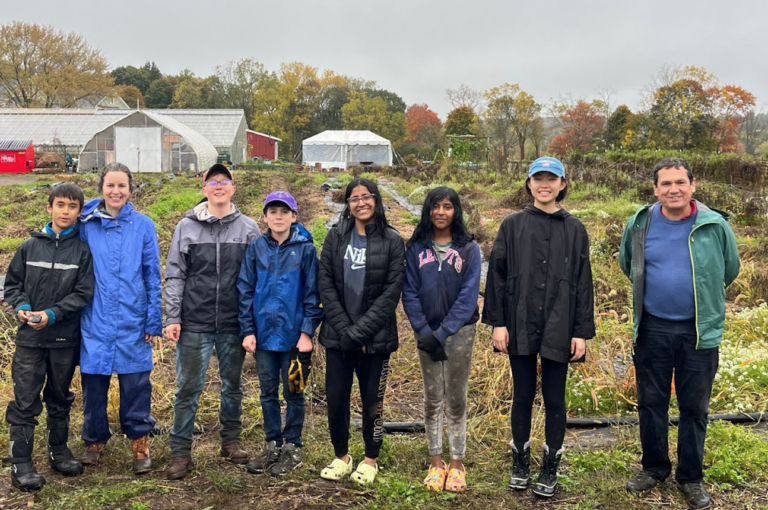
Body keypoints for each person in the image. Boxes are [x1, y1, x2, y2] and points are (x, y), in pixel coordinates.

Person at [619, 157, 740, 509]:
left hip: (698, 331)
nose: (673, 189)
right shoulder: (639, 223)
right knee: (651, 403)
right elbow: (629, 264)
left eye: (680, 183)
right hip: (652, 327)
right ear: (655, 189)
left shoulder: (714, 225)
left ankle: (691, 477)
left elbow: (728, 269)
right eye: (666, 184)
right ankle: (654, 467)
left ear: (693, 185)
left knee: (694, 408)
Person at [483, 156, 595, 498]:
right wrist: (498, 323)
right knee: (522, 394)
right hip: (520, 321)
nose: (544, 184)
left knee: (555, 398)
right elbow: (497, 278)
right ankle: (520, 459)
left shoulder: (574, 228)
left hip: (560, 324)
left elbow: (583, 281)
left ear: (562, 185)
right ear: (529, 183)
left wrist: (580, 331)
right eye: (538, 178)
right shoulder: (513, 225)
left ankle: (551, 465)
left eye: (552, 179)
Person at [164, 163, 260, 480]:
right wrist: (173, 316)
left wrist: (253, 322)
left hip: (234, 323)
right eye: (212, 181)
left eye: (225, 181)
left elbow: (258, 279)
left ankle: (230, 441)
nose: (219, 185)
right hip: (195, 321)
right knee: (187, 388)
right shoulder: (186, 227)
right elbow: (176, 275)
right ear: (204, 188)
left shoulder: (248, 228)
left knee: (232, 387)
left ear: (233, 188)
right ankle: (180, 452)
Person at [3, 183, 94, 491]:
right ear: (49, 207)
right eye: (60, 205)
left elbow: (83, 293)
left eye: (72, 206)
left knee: (59, 397)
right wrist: (23, 308)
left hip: (64, 340)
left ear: (79, 212)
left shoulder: (82, 251)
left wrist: (52, 314)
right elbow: (13, 284)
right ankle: (21, 463)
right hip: (30, 341)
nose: (65, 211)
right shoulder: (29, 246)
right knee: (25, 400)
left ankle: (58, 451)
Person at [317, 178, 405, 486]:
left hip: (375, 341)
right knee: (337, 399)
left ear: (377, 201)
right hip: (338, 337)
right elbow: (325, 283)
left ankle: (370, 459)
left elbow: (391, 294)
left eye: (366, 197)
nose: (361, 203)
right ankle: (341, 456)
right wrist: (345, 330)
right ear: (348, 204)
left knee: (373, 401)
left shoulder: (393, 241)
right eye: (354, 198)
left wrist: (360, 333)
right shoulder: (335, 237)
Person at [77, 163, 163, 474]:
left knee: (136, 381)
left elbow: (152, 274)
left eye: (122, 186)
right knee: (94, 380)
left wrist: (154, 318)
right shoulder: (86, 225)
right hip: (96, 314)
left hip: (132, 315)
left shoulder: (143, 226)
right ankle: (95, 440)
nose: (116, 191)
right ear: (101, 188)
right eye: (110, 185)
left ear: (130, 190)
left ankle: (139, 440)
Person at [237, 191, 323, 477]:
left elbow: (313, 293)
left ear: (294, 217)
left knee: (294, 391)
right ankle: (272, 443)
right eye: (273, 211)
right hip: (263, 336)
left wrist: (306, 332)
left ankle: (292, 445)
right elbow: (245, 290)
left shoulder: (306, 250)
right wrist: (248, 330)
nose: (278, 216)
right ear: (265, 217)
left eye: (284, 212)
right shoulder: (257, 248)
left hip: (293, 337)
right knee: (267, 393)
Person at [402, 186, 482, 493]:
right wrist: (423, 331)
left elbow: (468, 296)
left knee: (456, 398)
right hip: (426, 335)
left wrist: (443, 332)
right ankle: (436, 461)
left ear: (455, 211)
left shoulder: (468, 248)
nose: (440, 212)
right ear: (427, 210)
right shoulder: (416, 247)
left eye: (447, 206)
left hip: (459, 333)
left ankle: (457, 462)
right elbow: (409, 291)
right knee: (432, 397)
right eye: (435, 206)